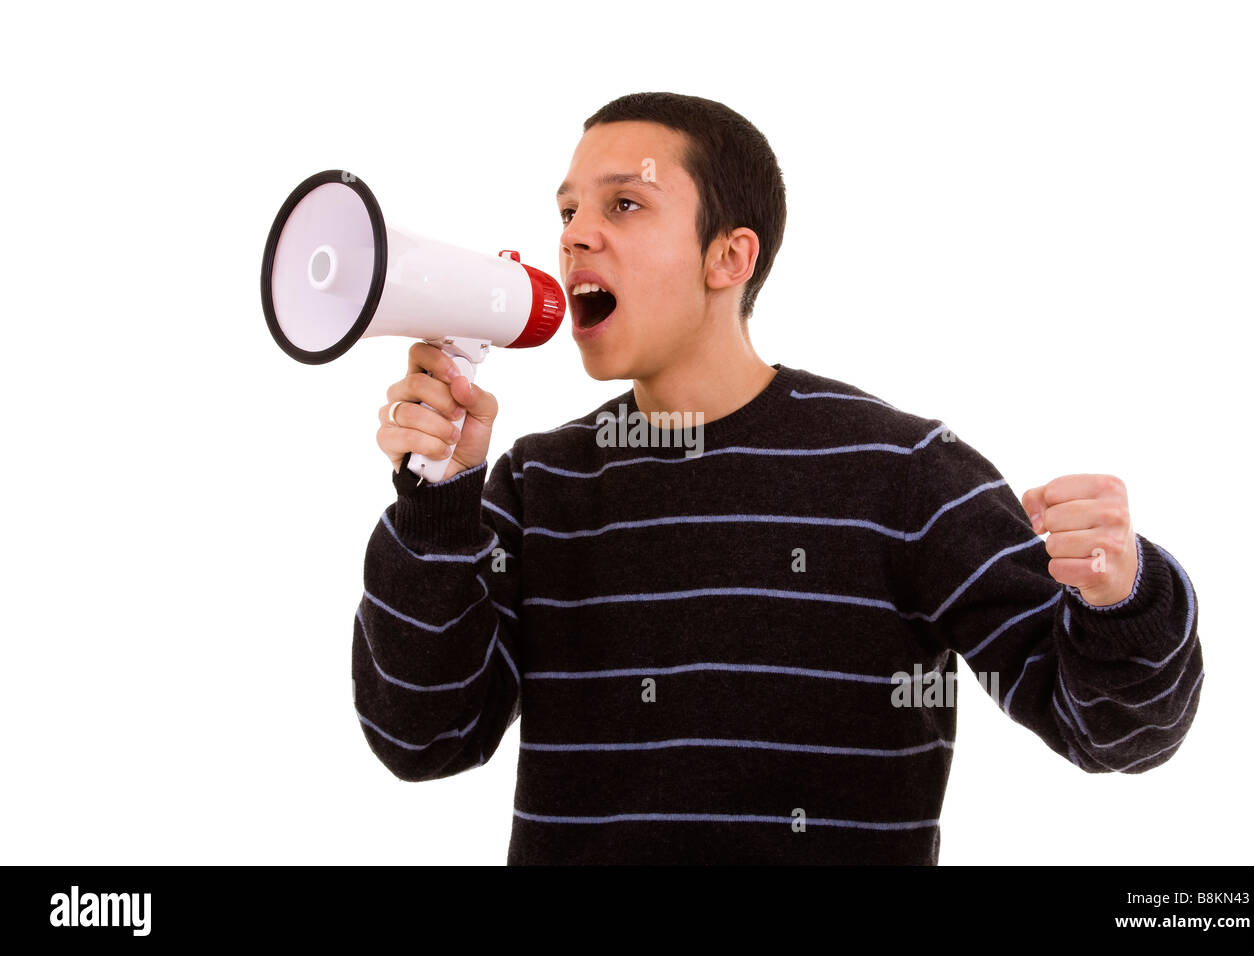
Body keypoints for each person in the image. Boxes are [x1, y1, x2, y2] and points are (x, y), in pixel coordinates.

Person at [353, 92, 1204, 865]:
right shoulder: (538, 484)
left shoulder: (902, 474)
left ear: (730, 257)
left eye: (624, 203)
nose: (574, 232)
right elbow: (425, 736)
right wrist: (435, 509)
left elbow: (1116, 733)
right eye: (567, 209)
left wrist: (1124, 597)